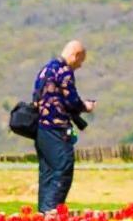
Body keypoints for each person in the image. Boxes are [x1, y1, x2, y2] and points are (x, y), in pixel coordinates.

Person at [32, 40, 94, 212]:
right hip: (57, 129)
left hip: (41, 130)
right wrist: (85, 106)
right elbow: (72, 100)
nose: (80, 66)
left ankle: (42, 213)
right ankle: (52, 212)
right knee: (63, 168)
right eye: (81, 61)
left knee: (47, 173)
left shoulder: (46, 70)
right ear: (76, 55)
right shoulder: (64, 71)